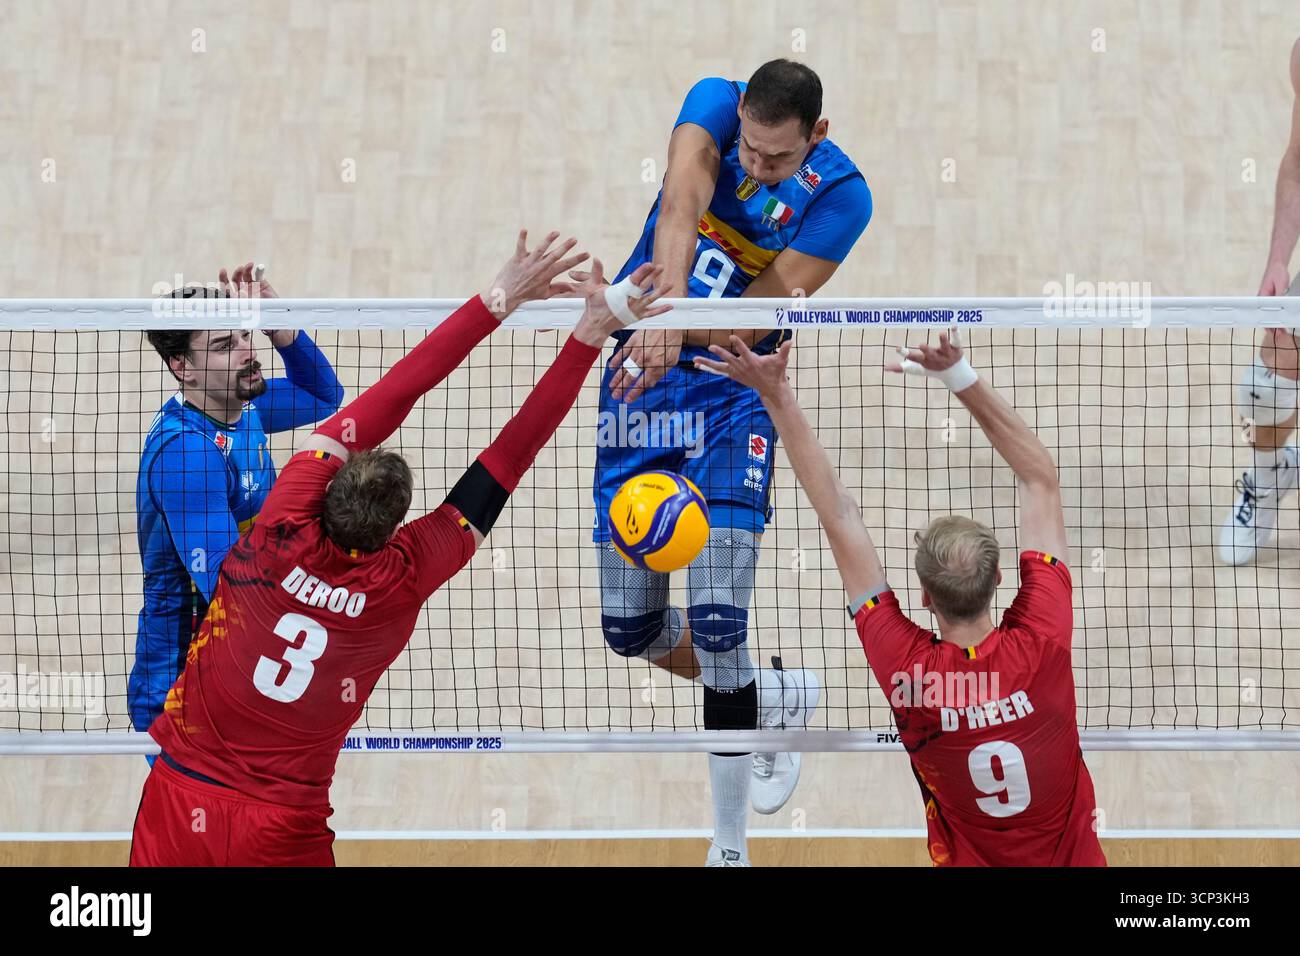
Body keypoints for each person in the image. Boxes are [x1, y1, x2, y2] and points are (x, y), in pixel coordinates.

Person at [131, 233, 667, 865]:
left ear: (317, 489)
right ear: (395, 535)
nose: (243, 350)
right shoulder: (401, 582)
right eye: (224, 344)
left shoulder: (274, 536)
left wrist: (499, 300)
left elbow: (392, 391)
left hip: (183, 785)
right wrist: (586, 338)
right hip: (275, 816)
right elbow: (506, 460)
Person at [593, 60, 872, 866]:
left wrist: (672, 332)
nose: (754, 167)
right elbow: (682, 198)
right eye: (747, 148)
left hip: (733, 391)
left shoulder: (841, 198)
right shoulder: (714, 104)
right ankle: (771, 694)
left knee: (718, 621)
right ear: (741, 113)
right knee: (631, 629)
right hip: (639, 383)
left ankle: (727, 845)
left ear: (815, 138)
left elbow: (761, 312)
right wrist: (666, 312)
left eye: (776, 160)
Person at [696, 330, 1105, 866]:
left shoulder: (907, 670)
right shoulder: (1043, 640)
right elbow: (1039, 480)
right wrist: (960, 376)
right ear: (1000, 578)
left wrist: (778, 397)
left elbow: (839, 516)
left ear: (925, 598)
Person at [130, 263, 344, 736]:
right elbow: (229, 588)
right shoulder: (187, 452)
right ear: (181, 367)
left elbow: (322, 396)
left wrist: (280, 327)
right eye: (225, 346)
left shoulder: (242, 409)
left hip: (241, 651)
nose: (249, 353)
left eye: (246, 336)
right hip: (187, 680)